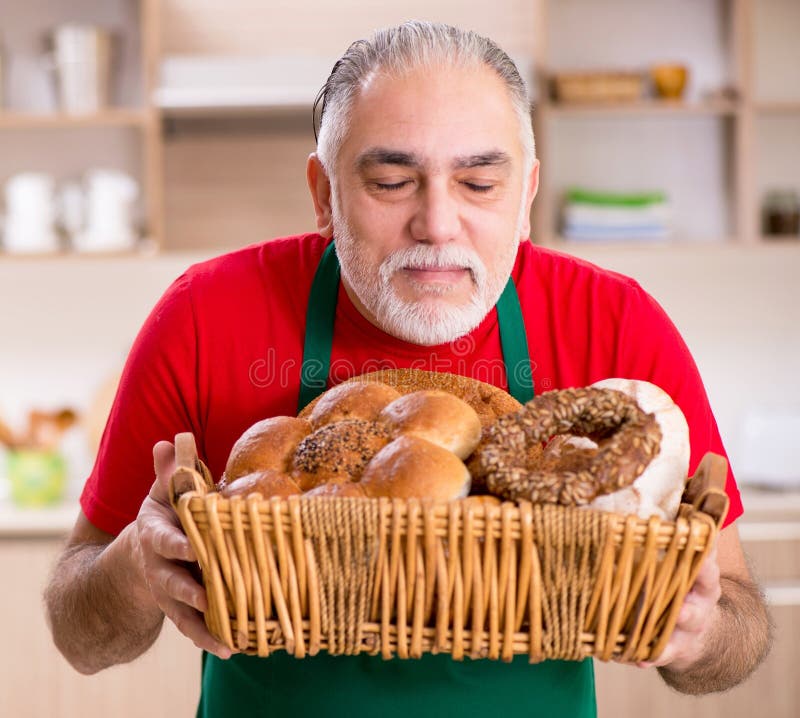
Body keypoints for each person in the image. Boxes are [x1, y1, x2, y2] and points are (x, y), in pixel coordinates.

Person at [44, 21, 771, 717]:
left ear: (527, 195)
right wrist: (137, 565)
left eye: (479, 184)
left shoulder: (615, 326)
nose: (438, 223)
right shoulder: (204, 316)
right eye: (393, 182)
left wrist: (703, 632)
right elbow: (79, 634)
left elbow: (739, 626)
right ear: (324, 195)